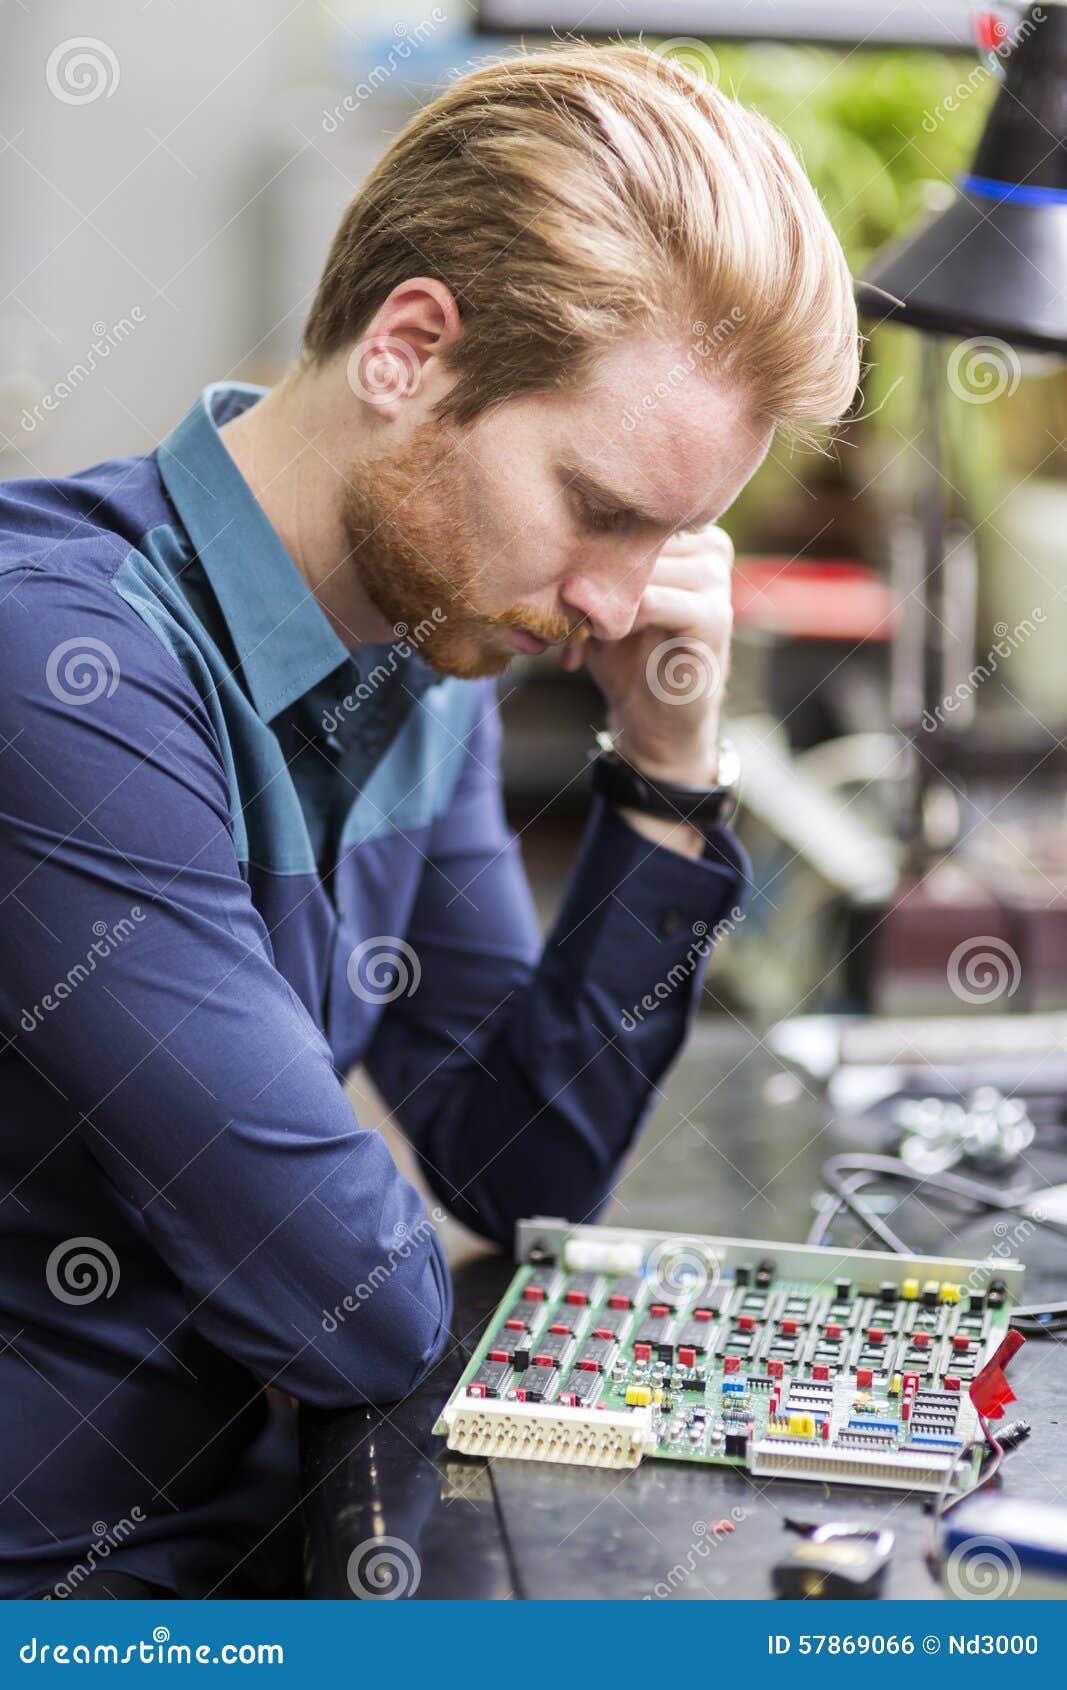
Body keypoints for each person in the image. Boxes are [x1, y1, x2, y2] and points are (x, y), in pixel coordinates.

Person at [0, 42, 858, 1598]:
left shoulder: (426, 657)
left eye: (671, 536)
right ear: (408, 350)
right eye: (600, 506)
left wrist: (665, 770)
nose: (617, 598)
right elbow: (356, 1301)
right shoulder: (60, 670)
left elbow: (508, 1170)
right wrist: (334, 1212)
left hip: (248, 1526)